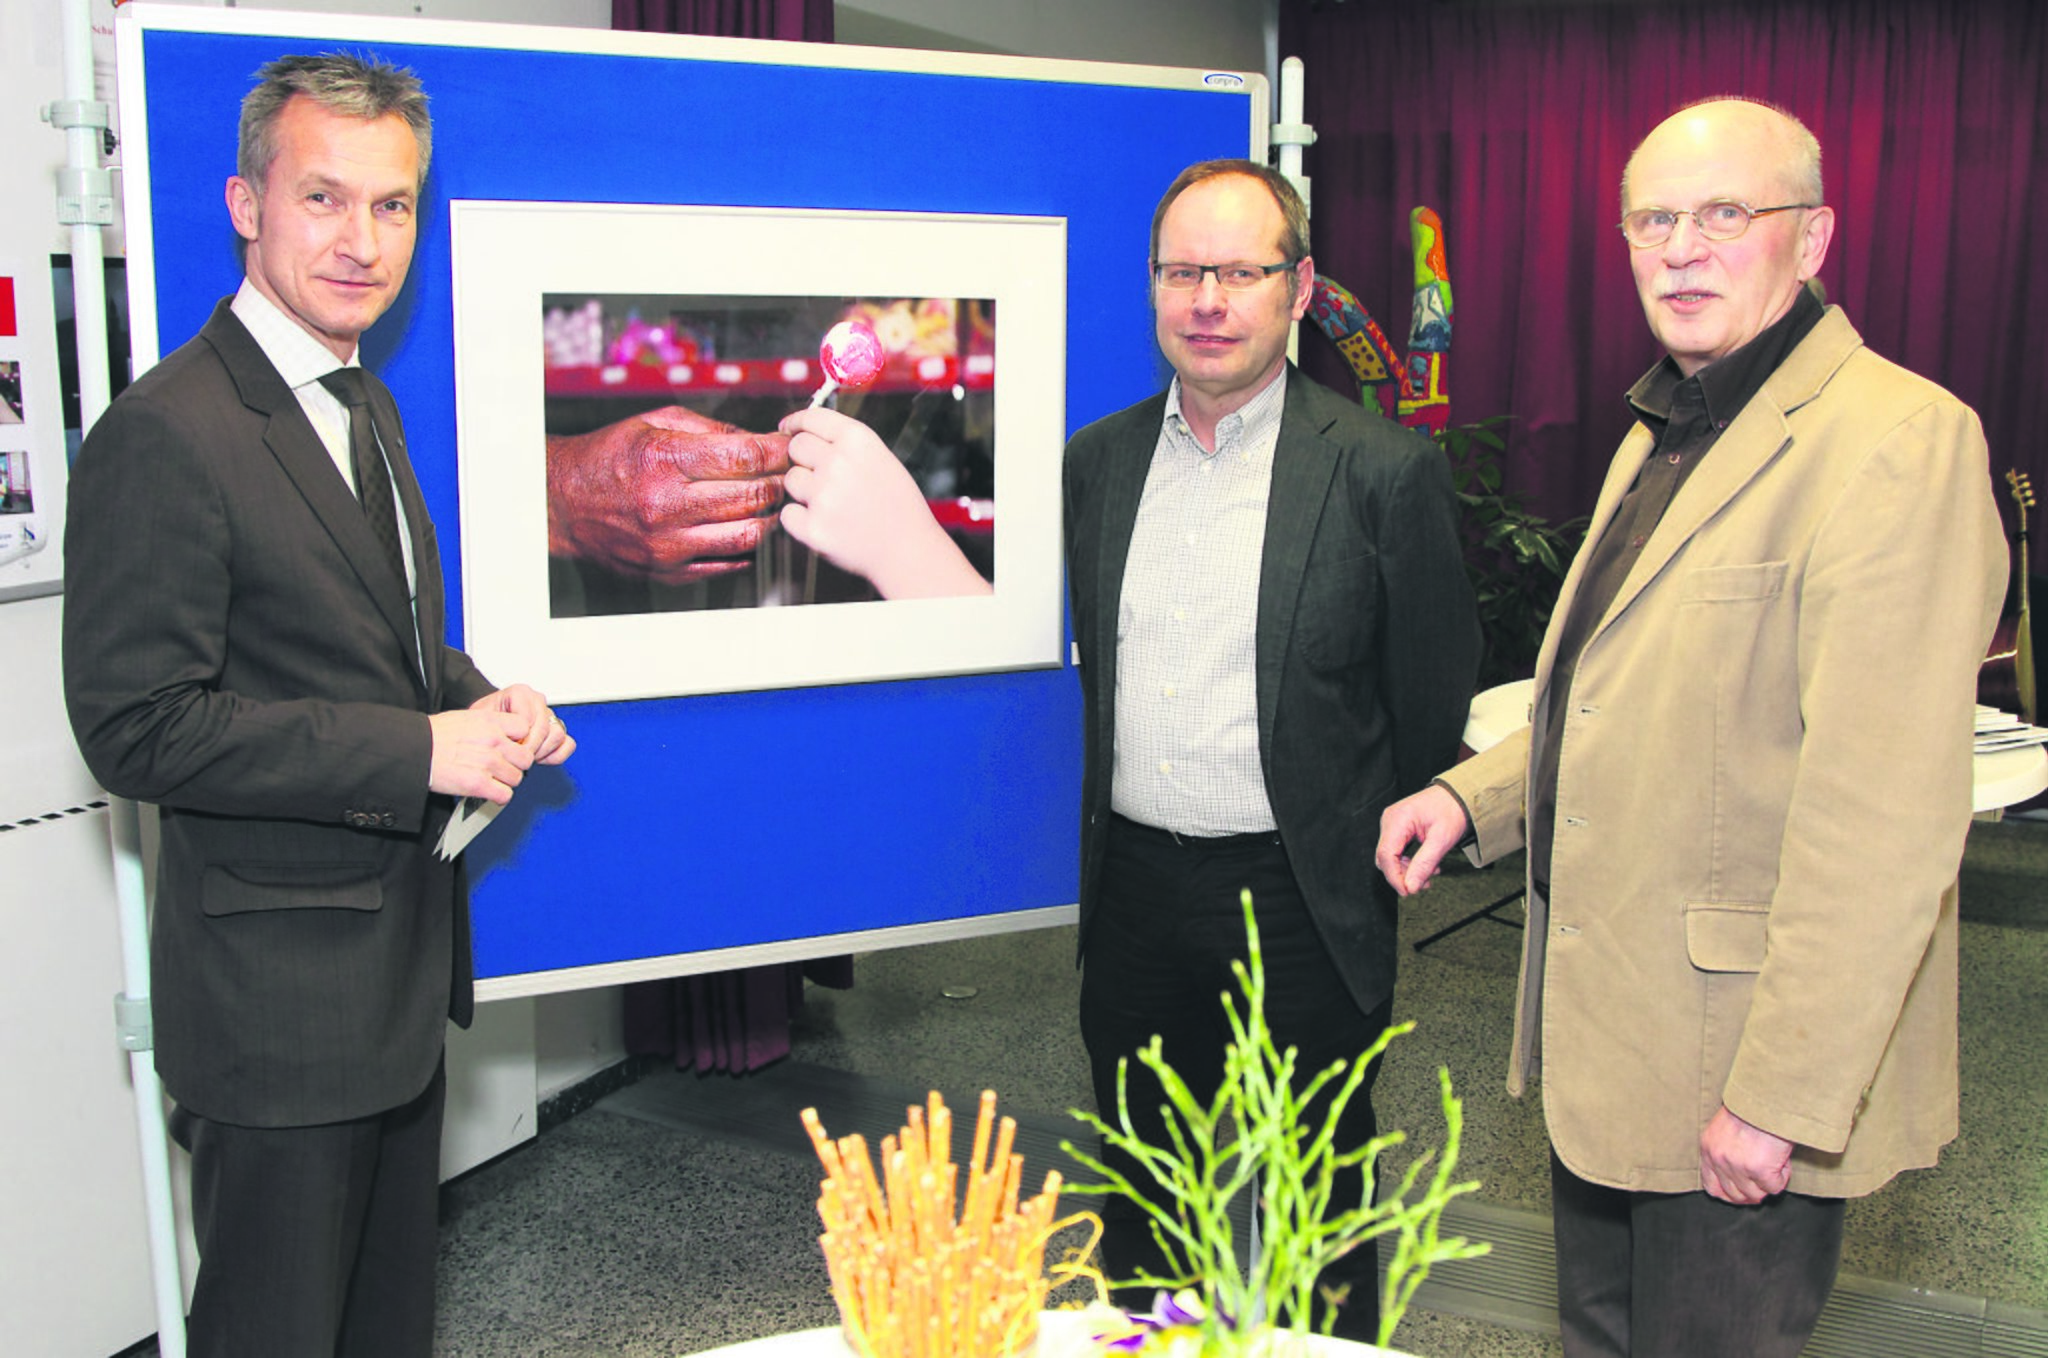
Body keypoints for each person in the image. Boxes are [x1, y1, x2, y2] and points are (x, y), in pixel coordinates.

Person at [1374, 99, 2005, 1358]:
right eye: (1650, 219)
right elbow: (1620, 694)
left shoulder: (1897, 441)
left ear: (1811, 238)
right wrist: (1470, 796)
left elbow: (1881, 821)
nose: (1678, 250)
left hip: (1738, 1071)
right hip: (1615, 1045)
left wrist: (1779, 1098)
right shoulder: (1665, 425)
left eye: (1723, 213)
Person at [62, 53, 574, 1357]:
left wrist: (480, 701)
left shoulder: (361, 398)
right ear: (246, 203)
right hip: (276, 1014)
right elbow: (135, 725)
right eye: (324, 198)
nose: (363, 241)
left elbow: (369, 642)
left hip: (390, 990)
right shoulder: (167, 431)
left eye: (392, 205)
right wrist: (418, 750)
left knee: (382, 1330)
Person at [1063, 158, 1480, 1340]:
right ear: (1151, 286)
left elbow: (1427, 693)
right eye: (1181, 271)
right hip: (1135, 895)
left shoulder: (1378, 467)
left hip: (1299, 897)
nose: (1206, 300)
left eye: (1240, 272)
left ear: (1296, 290)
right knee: (1146, 1196)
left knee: (1312, 1213)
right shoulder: (1097, 462)